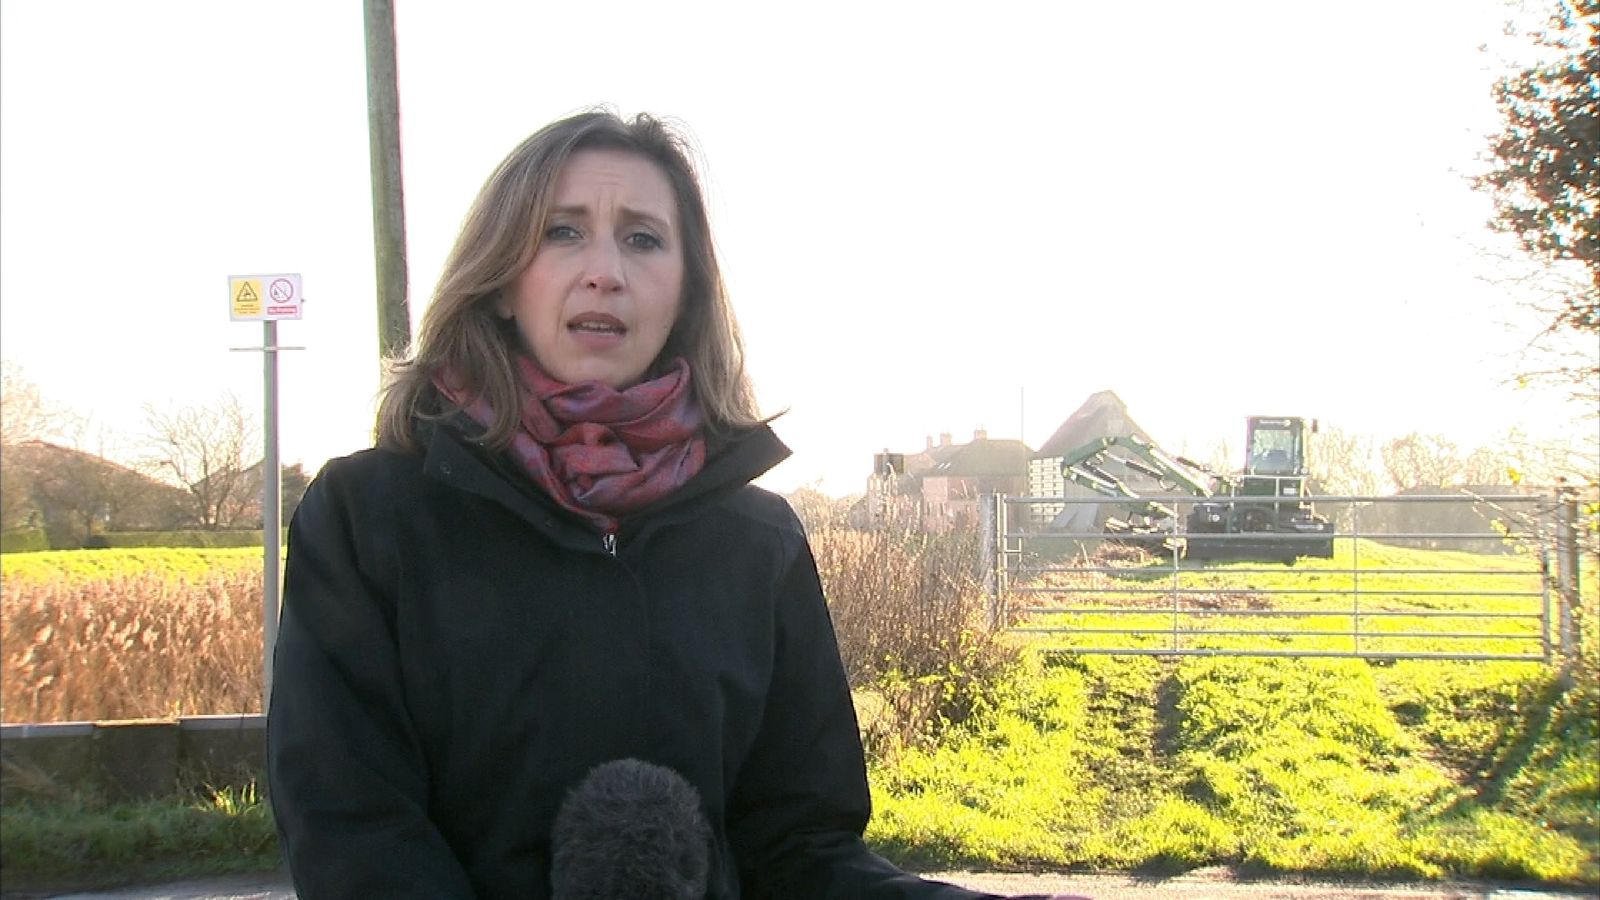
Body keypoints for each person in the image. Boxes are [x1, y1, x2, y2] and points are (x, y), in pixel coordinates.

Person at [267, 109, 1087, 900]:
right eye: (562, 231)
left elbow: (799, 855)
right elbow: (355, 835)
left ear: (687, 292)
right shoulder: (368, 518)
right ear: (501, 281)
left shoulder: (760, 545)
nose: (605, 270)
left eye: (643, 238)